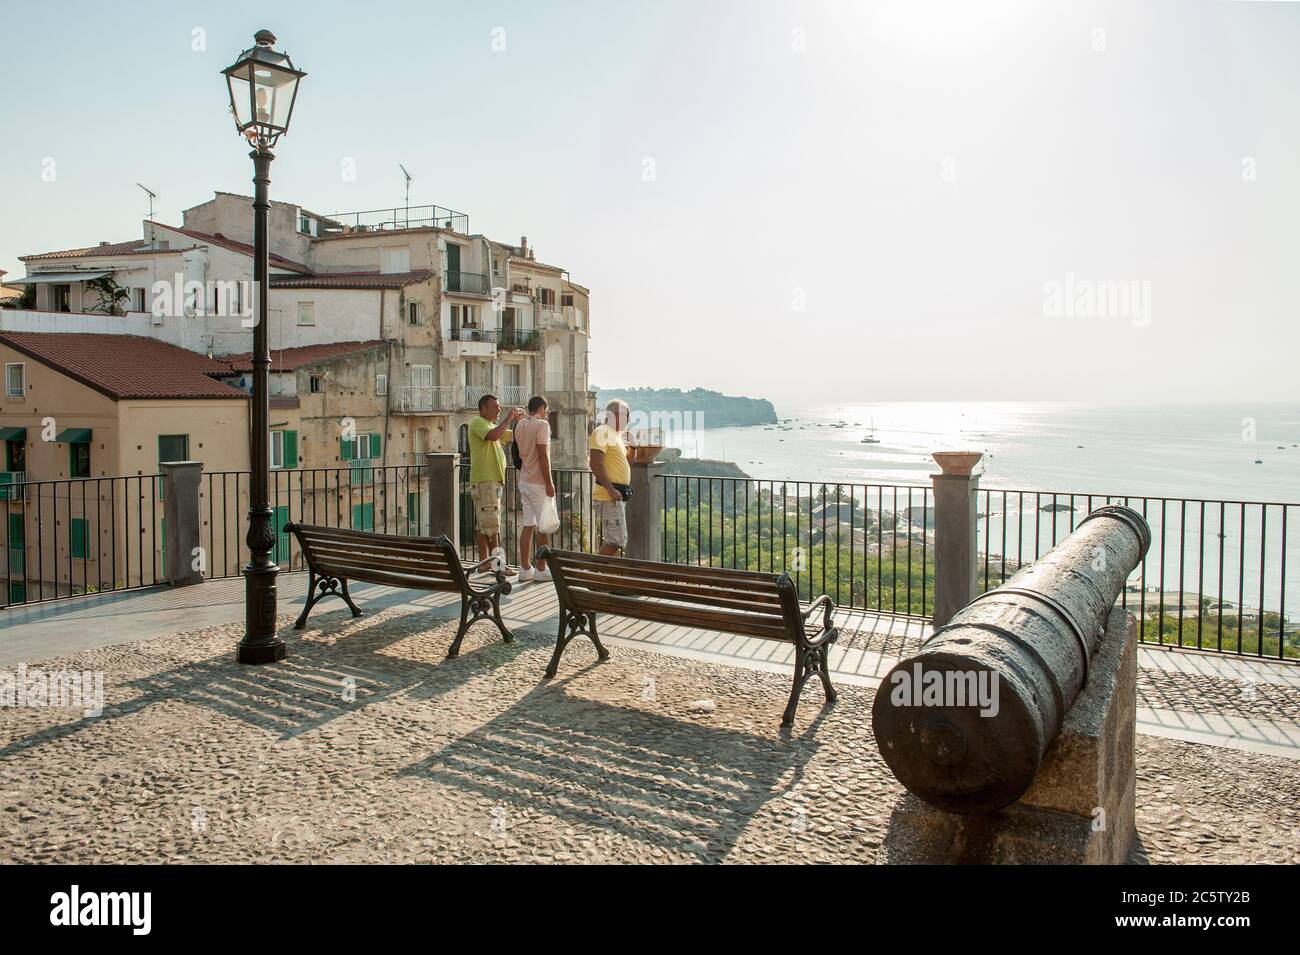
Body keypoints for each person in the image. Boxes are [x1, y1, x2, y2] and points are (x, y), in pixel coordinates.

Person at [468, 393, 524, 569]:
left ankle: (485, 563)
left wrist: (521, 421)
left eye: (499, 407)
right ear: (483, 408)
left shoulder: (491, 425)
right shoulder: (478, 423)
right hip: (486, 481)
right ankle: (497, 565)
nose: (499, 409)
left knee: (483, 524)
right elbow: (494, 435)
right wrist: (509, 417)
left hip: (490, 482)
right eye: (495, 407)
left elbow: (514, 436)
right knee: (492, 525)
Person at [514, 395, 555, 582]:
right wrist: (549, 483)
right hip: (538, 483)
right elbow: (543, 456)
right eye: (546, 410)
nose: (547, 414)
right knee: (543, 526)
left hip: (524, 479)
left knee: (528, 524)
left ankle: (524, 570)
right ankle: (540, 569)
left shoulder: (519, 425)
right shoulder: (542, 426)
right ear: (540, 408)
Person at [589, 399, 632, 556]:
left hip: (616, 494)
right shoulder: (602, 432)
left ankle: (601, 574)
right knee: (616, 541)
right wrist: (611, 489)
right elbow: (595, 463)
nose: (629, 419)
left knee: (615, 540)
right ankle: (591, 573)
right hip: (609, 495)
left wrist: (632, 448)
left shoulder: (616, 436)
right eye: (627, 415)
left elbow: (627, 464)